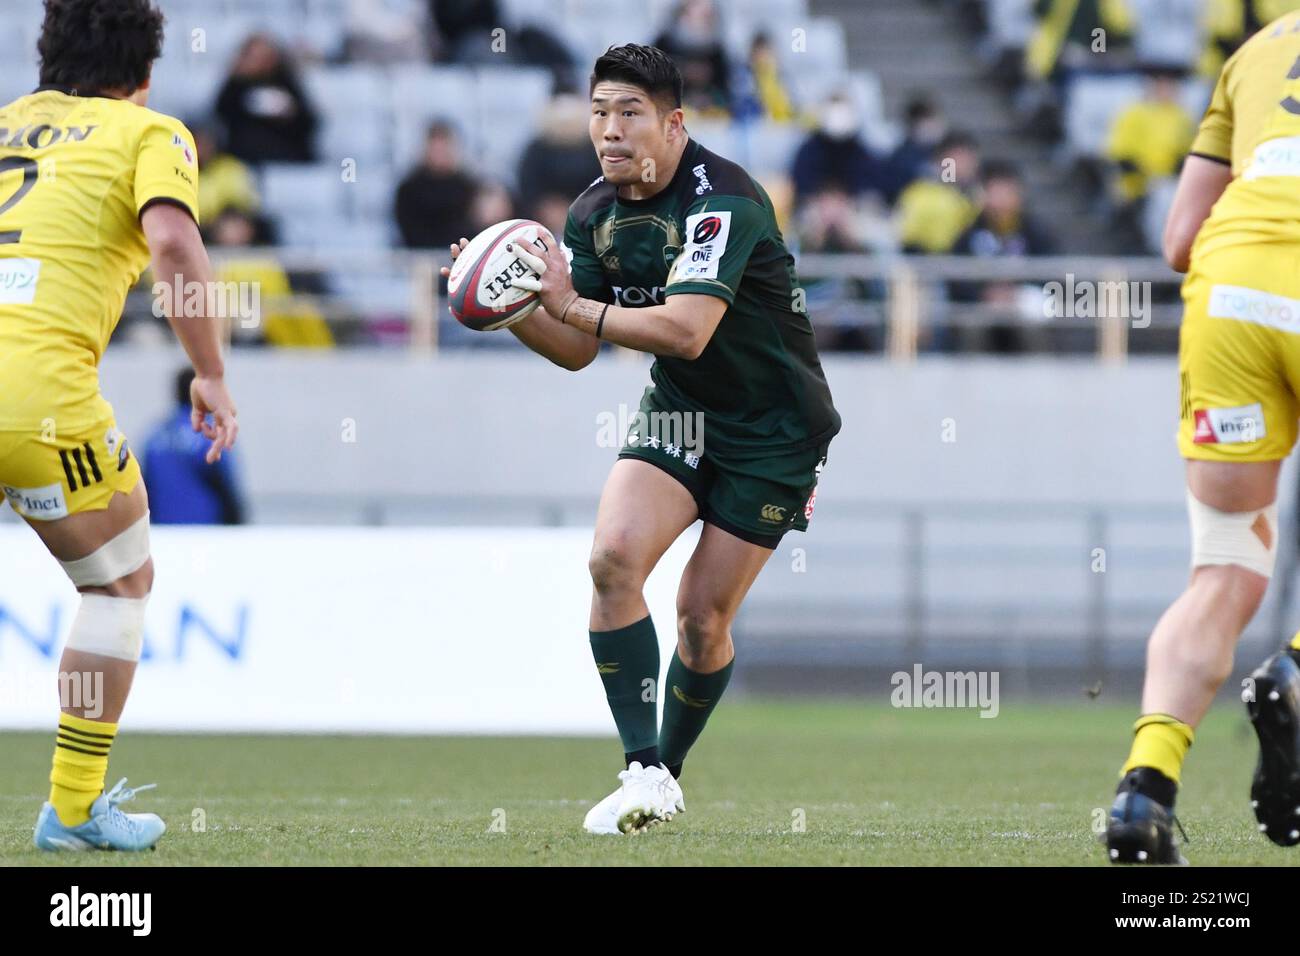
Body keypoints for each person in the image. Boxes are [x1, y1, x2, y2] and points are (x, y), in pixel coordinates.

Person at [441, 44, 840, 834]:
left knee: (700, 617)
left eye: (630, 114)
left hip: (776, 431)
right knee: (612, 559)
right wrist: (512, 305)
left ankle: (671, 767)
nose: (610, 131)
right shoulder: (593, 213)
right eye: (598, 113)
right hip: (681, 412)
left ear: (673, 123)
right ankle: (643, 770)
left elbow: (685, 331)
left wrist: (567, 303)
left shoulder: (723, 200)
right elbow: (579, 348)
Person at [0, 0, 239, 852]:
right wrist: (209, 373)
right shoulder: (149, 134)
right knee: (117, 588)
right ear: (142, 77)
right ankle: (70, 811)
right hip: (36, 396)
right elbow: (173, 245)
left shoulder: (5, 126)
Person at [1104, 8, 1300, 865]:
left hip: (1232, 286)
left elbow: (1179, 237)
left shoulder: (1255, 49)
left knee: (1225, 567)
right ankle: (1295, 675)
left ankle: (1144, 794)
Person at [143, 370, 247, 525]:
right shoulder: (211, 436)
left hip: (163, 534)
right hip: (205, 534)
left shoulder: (156, 436)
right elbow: (228, 492)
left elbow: (145, 489)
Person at [214, 33, 318, 165]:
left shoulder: (286, 82)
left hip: (286, 152)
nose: (260, 61)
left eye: (264, 56)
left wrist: (290, 113)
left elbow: (309, 122)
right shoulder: (236, 85)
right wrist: (239, 79)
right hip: (245, 155)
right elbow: (222, 115)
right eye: (254, 56)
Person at [394, 121, 481, 250]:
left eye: (443, 148)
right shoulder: (409, 189)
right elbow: (409, 229)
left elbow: (472, 225)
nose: (439, 154)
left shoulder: (468, 186)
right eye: (435, 149)